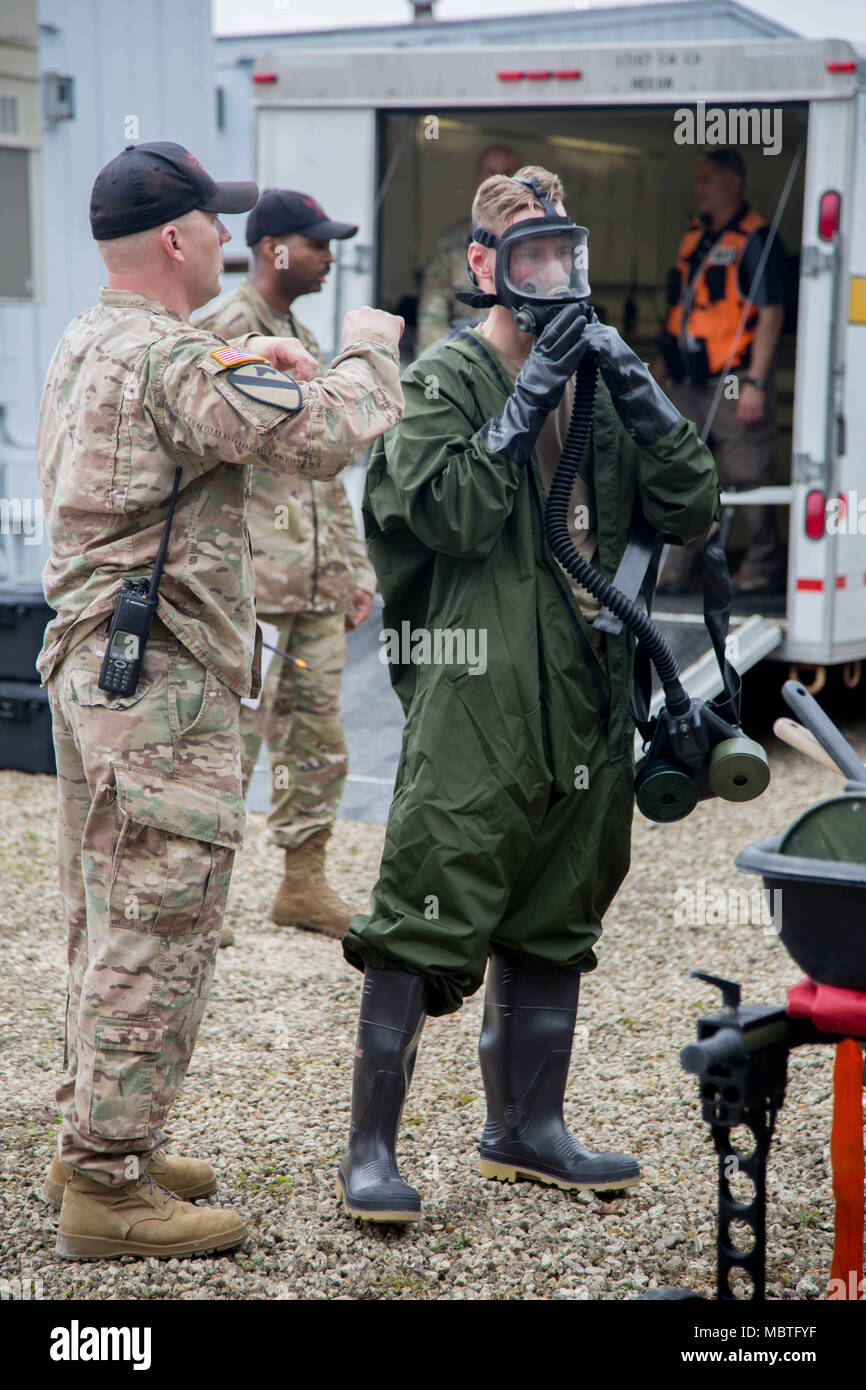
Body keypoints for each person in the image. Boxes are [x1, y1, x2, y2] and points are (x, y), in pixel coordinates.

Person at [35, 140, 403, 1259]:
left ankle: (107, 1141)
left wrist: (255, 353)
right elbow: (329, 433)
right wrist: (366, 350)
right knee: (158, 920)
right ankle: (106, 1191)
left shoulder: (98, 335)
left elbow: (208, 402)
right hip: (158, 689)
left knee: (105, 917)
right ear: (175, 239)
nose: (228, 243)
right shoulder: (166, 360)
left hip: (99, 671)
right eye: (214, 224)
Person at [336, 165, 718, 1223]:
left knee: (559, 909)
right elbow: (445, 512)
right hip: (481, 693)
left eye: (560, 254)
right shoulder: (445, 379)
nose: (548, 274)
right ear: (482, 266)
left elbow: (690, 510)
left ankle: (524, 1129)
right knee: (426, 898)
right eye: (525, 257)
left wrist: (635, 391)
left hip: (591, 688)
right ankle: (369, 1151)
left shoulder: (603, 373)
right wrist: (529, 401)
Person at [197, 189, 377, 939]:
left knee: (316, 740)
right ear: (274, 248)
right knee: (227, 743)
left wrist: (352, 569)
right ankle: (200, 900)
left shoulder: (296, 334)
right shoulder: (223, 332)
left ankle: (302, 884)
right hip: (249, 591)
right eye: (317, 243)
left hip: (310, 589)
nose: (330, 256)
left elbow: (322, 471)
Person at [653, 149, 788, 595]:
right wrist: (661, 361)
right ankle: (675, 564)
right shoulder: (696, 236)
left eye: (707, 180)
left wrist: (756, 381)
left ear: (734, 184)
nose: (699, 188)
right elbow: (680, 308)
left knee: (746, 471)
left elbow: (770, 314)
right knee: (680, 469)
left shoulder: (757, 239)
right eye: (698, 180)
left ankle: (763, 565)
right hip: (687, 380)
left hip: (734, 379)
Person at [414, 143, 520, 354]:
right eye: (490, 171)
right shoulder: (450, 243)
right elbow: (432, 319)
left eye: (507, 172)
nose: (498, 179)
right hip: (464, 356)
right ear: (477, 178)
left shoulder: (534, 243)